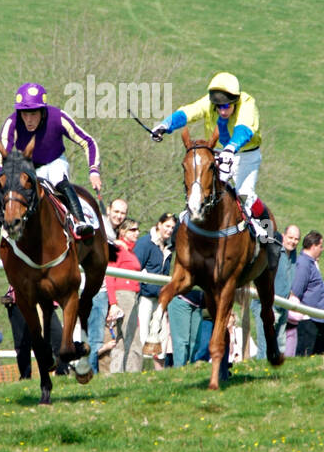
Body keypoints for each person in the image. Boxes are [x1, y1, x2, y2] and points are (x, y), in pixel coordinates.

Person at [151, 72, 275, 246]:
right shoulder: (209, 104)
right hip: (218, 153)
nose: (222, 111)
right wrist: (165, 125)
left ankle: (268, 233)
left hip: (246, 154)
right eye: (218, 107)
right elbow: (188, 112)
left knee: (244, 194)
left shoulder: (247, 103)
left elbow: (244, 129)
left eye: (226, 106)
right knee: (204, 189)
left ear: (235, 101)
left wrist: (231, 148)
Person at [0, 83, 103, 251]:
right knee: (7, 186)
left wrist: (94, 171)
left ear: (42, 111)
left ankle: (80, 224)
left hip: (55, 161)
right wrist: (10, 175)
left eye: (33, 114)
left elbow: (88, 142)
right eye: (24, 114)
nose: (28, 120)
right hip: (27, 167)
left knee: (59, 181)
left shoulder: (58, 117)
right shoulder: (11, 122)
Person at [133, 212, 176, 371]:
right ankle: (144, 368)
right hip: (145, 296)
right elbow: (136, 267)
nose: (170, 230)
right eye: (167, 226)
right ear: (159, 225)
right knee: (144, 331)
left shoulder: (169, 246)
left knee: (162, 333)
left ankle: (160, 371)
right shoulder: (145, 243)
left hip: (161, 298)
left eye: (172, 227)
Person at [251, 223, 299, 359]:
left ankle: (274, 377)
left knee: (279, 346)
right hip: (266, 305)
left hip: (283, 307)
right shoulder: (274, 251)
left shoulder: (294, 257)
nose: (293, 241)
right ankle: (259, 376)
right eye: (290, 237)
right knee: (265, 347)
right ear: (283, 236)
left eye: (296, 239)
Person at [104, 218, 142, 373]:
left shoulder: (130, 251)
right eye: (133, 230)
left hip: (132, 295)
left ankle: (117, 372)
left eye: (138, 229)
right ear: (123, 232)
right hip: (123, 295)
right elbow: (110, 276)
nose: (137, 233)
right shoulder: (118, 249)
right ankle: (134, 373)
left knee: (121, 338)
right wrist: (113, 303)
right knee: (132, 336)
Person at [292, 231, 324, 356]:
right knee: (305, 355)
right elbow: (296, 291)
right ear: (313, 246)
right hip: (308, 320)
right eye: (320, 246)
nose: (322, 249)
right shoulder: (303, 264)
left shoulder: (311, 263)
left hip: (318, 318)